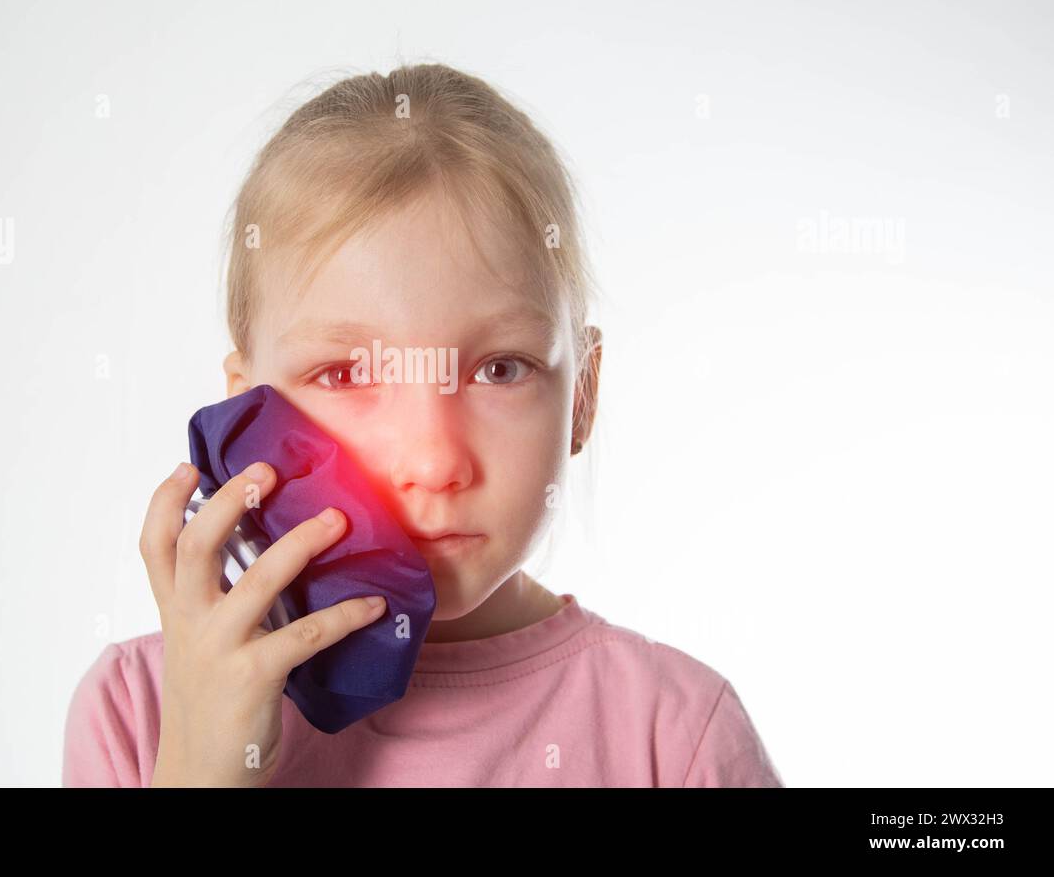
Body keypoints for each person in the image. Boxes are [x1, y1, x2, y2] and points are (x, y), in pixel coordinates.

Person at [62, 62, 783, 787]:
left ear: (583, 398)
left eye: (500, 369)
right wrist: (200, 763)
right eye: (347, 374)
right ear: (246, 415)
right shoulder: (140, 711)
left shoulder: (677, 734)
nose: (437, 461)